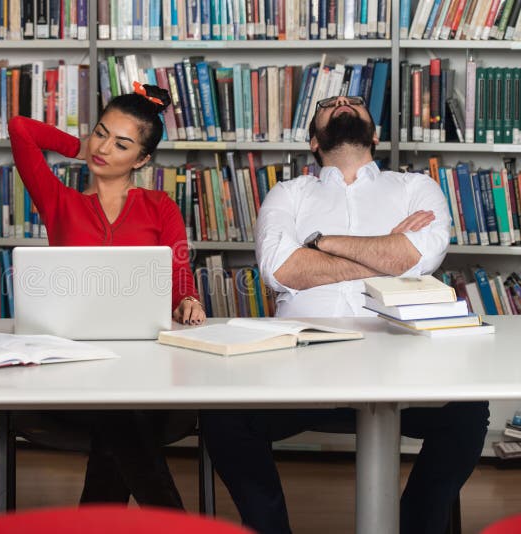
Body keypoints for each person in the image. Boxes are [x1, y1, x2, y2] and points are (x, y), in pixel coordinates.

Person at [200, 95, 489, 534]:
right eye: (329, 103)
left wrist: (319, 243)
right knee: (221, 416)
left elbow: (421, 256)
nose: (343, 103)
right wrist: (384, 251)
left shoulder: (415, 188)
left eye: (354, 101)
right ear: (314, 141)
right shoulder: (288, 193)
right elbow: (280, 270)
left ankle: (413, 526)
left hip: (403, 368)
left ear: (375, 134)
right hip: (299, 371)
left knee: (468, 414)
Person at [8, 82, 205, 508]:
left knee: (119, 421)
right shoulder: (59, 200)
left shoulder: (160, 207)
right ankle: (172, 519)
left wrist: (189, 299)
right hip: (71, 364)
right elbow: (20, 129)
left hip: (146, 366)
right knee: (124, 419)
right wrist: (78, 146)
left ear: (143, 159)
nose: (103, 148)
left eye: (121, 144)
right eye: (100, 133)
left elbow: (178, 269)